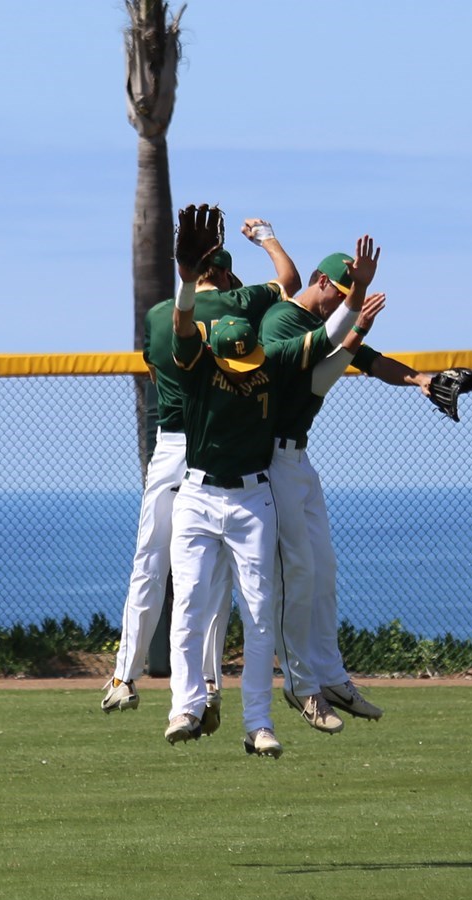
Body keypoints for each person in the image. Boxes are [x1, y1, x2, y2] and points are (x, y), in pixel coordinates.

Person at [164, 206, 375, 758]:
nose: (242, 369)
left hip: (253, 495)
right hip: (199, 494)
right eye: (234, 362)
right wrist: (186, 281)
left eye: (247, 361)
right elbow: (183, 327)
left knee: (260, 613)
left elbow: (324, 337)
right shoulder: (200, 367)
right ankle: (186, 706)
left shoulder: (269, 357)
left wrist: (355, 307)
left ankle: (258, 723)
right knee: (189, 603)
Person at [101, 217, 300, 738]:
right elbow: (290, 280)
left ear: (189, 270)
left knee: (154, 563)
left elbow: (154, 364)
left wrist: (185, 277)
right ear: (227, 275)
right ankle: (209, 688)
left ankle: (125, 674)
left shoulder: (161, 313)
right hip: (222, 450)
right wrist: (266, 237)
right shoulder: (242, 306)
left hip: (170, 444)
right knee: (217, 585)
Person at [260, 247, 432, 733]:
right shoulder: (280, 320)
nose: (344, 300)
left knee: (323, 572)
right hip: (269, 461)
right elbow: (318, 373)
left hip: (299, 461)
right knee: (295, 575)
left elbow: (367, 359)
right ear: (319, 279)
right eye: (341, 289)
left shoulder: (337, 323)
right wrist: (356, 320)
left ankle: (331, 676)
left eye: (350, 293)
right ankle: (300, 685)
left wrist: (421, 378)